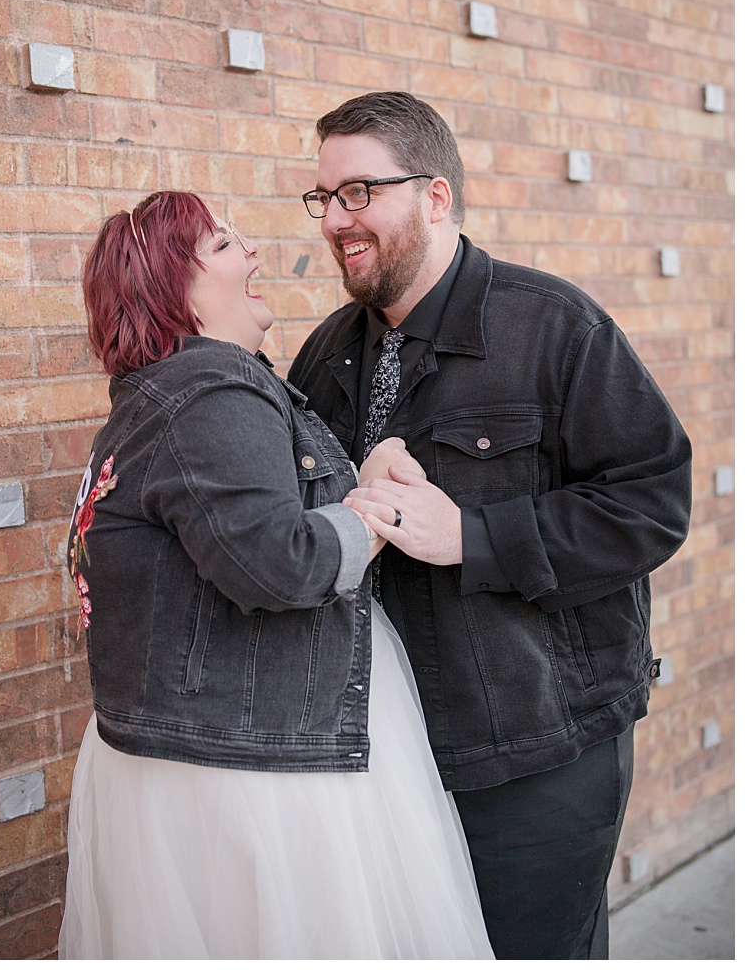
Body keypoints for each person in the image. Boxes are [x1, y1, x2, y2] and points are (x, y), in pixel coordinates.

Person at [288, 92, 693, 959]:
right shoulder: (324, 356)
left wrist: (474, 534)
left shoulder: (555, 327)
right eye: (325, 198)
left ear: (436, 197)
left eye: (360, 192)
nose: (336, 221)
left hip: (539, 754)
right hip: (390, 755)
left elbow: (653, 501)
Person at [56, 190, 492, 959]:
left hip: (214, 749)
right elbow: (282, 563)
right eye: (225, 246)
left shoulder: (158, 402)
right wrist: (376, 502)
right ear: (172, 288)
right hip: (255, 770)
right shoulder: (212, 393)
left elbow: (235, 540)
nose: (254, 253)